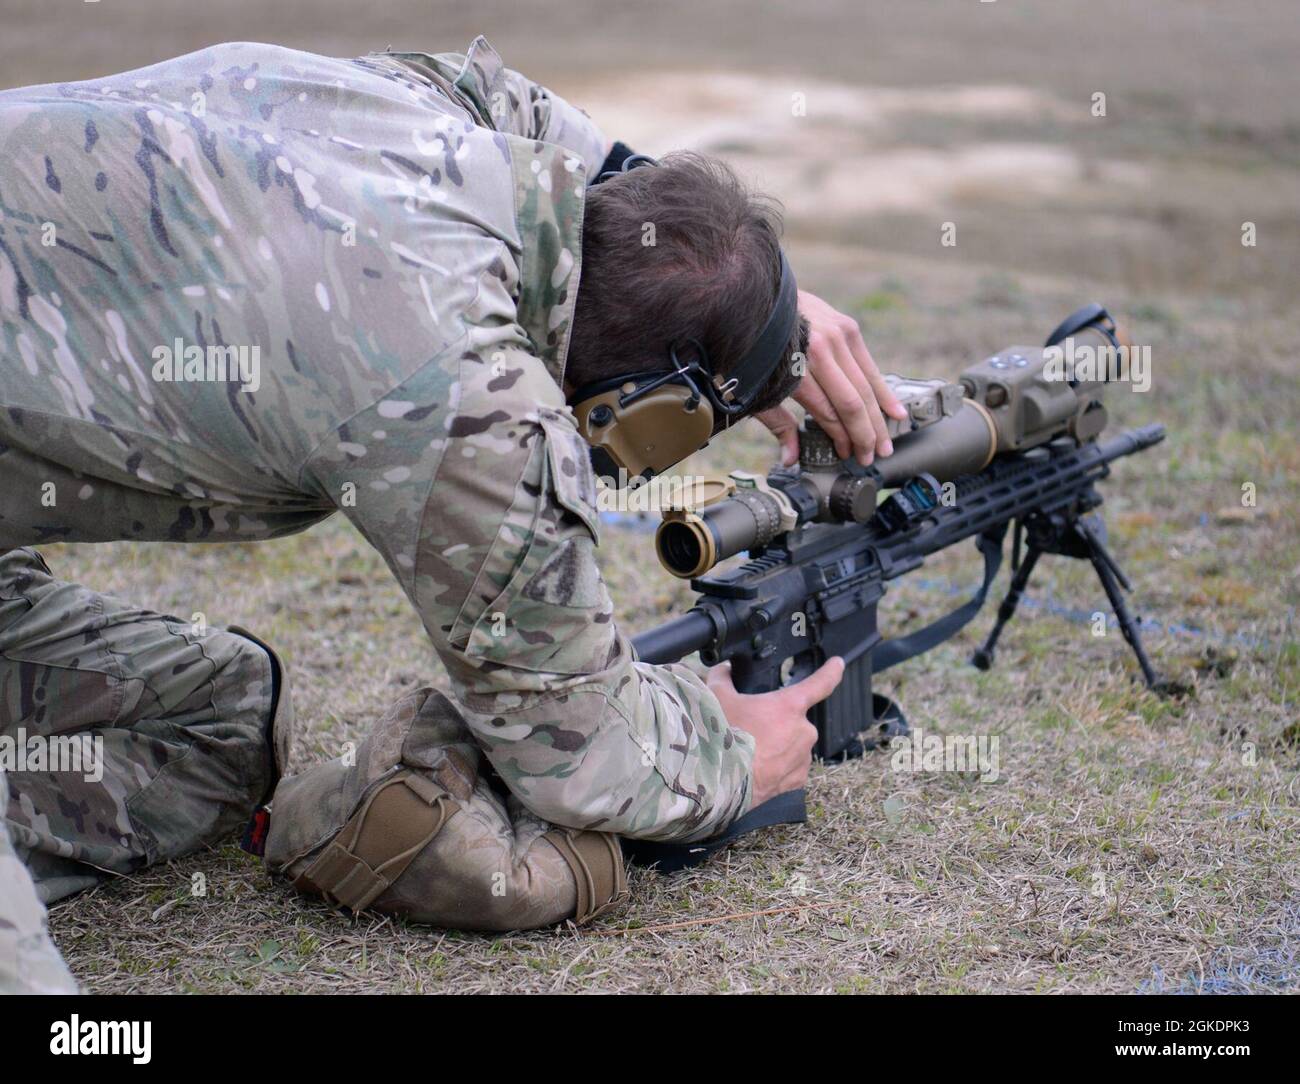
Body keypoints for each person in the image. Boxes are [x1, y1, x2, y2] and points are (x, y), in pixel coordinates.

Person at [0, 37, 904, 987]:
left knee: (221, 732)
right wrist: (731, 753)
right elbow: (584, 749)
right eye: (689, 431)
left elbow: (503, 95)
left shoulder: (427, 119)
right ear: (651, 410)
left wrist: (743, 300)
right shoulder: (462, 393)